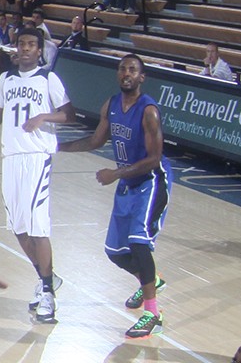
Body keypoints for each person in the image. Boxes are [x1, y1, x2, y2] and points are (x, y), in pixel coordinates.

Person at [57, 54, 172, 339]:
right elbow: (96, 140)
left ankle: (152, 313)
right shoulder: (111, 105)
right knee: (115, 252)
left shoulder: (148, 111)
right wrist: (58, 146)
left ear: (141, 77)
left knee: (139, 241)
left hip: (151, 180)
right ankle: (151, 280)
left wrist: (116, 174)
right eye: (122, 69)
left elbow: (154, 158)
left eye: (132, 69)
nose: (126, 73)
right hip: (127, 181)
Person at [0, 28, 73, 324]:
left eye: (31, 45)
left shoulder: (48, 79)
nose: (26, 49)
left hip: (37, 157)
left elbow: (70, 114)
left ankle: (48, 293)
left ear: (39, 51)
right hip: (11, 157)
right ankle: (47, 278)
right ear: (15, 49)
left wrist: (43, 117)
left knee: (38, 227)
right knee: (18, 227)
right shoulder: (5, 79)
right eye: (22, 44)